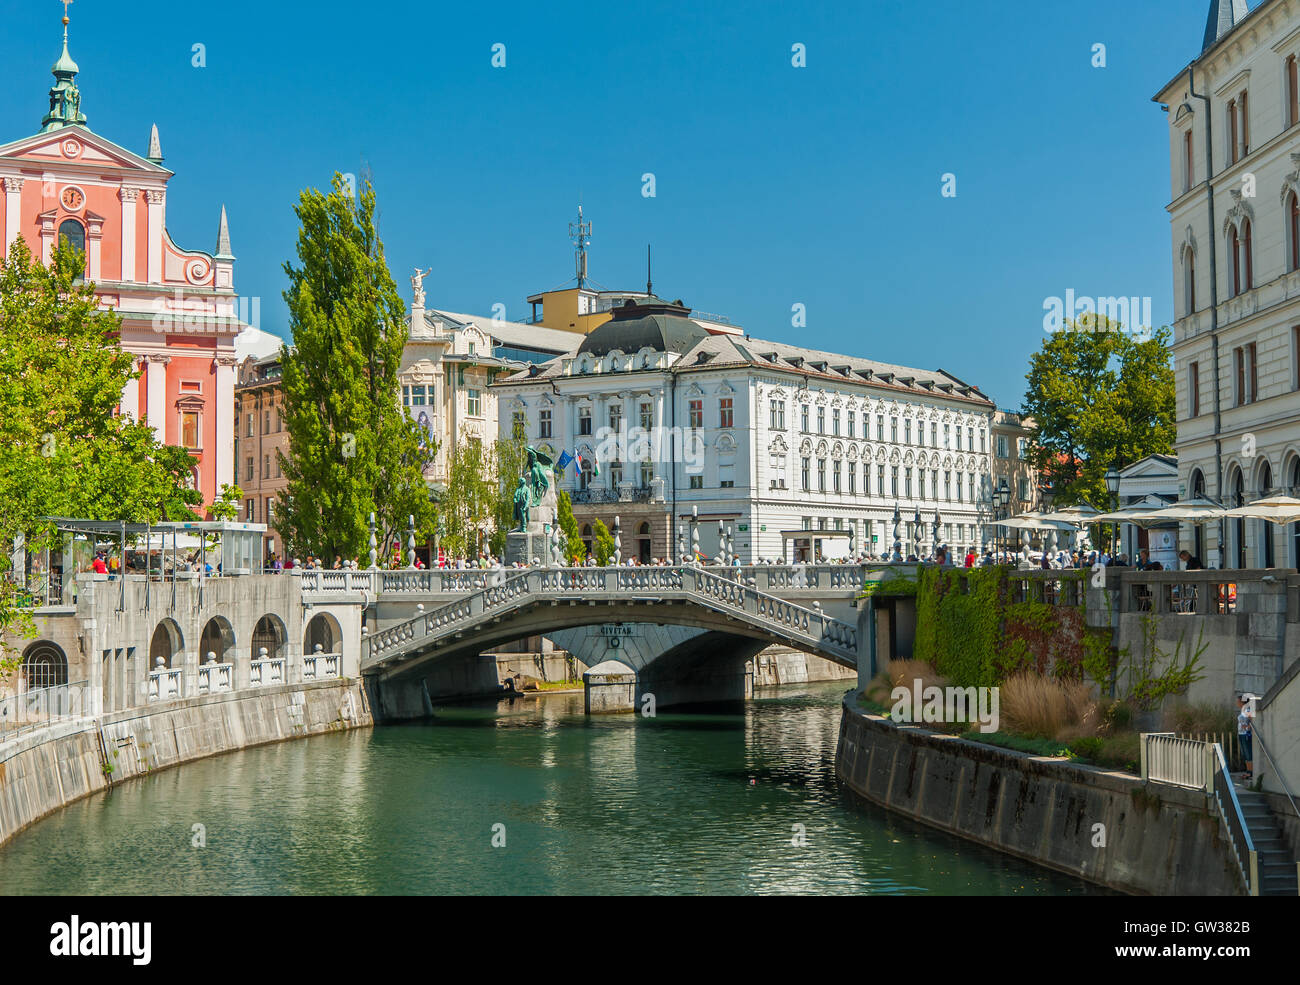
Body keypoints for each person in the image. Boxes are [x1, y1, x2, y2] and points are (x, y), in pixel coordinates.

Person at [1237, 695, 1255, 781]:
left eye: (1238, 701)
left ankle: (1250, 772)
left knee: (1248, 753)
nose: (1237, 703)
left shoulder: (1247, 710)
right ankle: (1248, 771)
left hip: (1246, 734)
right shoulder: (1243, 710)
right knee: (1244, 753)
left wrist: (1248, 727)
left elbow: (1252, 720)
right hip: (1241, 733)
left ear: (1242, 702)